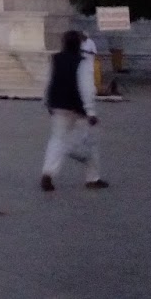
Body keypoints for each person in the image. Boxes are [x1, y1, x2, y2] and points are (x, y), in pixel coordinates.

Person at [41, 30, 107, 191]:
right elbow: (86, 88)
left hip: (57, 105)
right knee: (88, 143)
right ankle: (92, 178)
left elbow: (48, 81)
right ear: (79, 44)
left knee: (57, 140)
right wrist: (91, 112)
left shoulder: (55, 59)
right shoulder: (82, 62)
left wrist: (47, 102)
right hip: (77, 108)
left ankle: (48, 172)